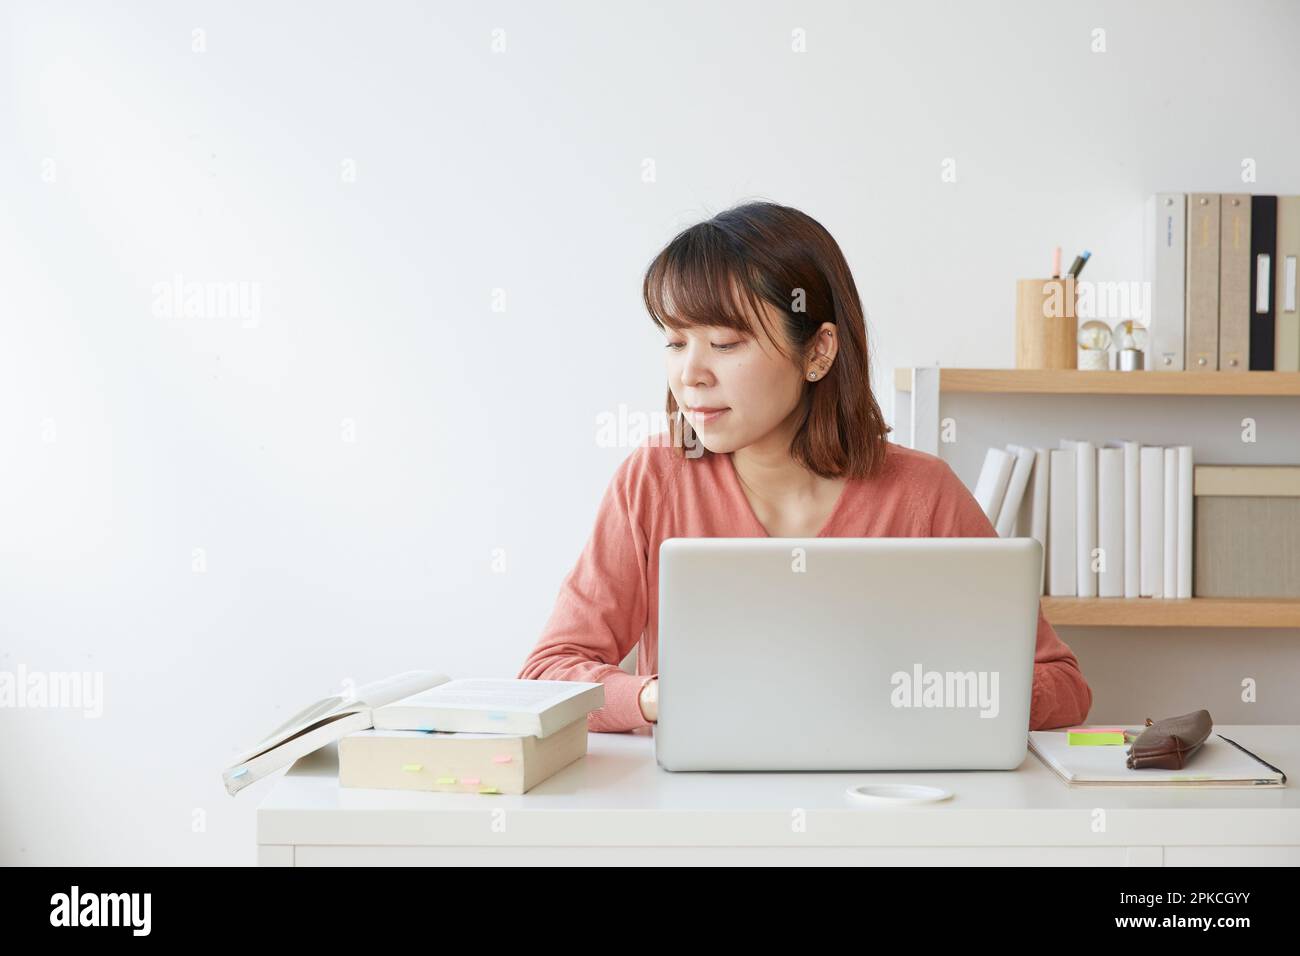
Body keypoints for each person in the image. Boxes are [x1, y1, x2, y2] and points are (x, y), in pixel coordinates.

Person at [516, 200, 1092, 733]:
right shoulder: (654, 481)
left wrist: (919, 693)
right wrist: (657, 699)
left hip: (884, 806)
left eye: (724, 342)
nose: (690, 373)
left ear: (818, 351)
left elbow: (1063, 685)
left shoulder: (923, 494)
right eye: (674, 342)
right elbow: (547, 673)